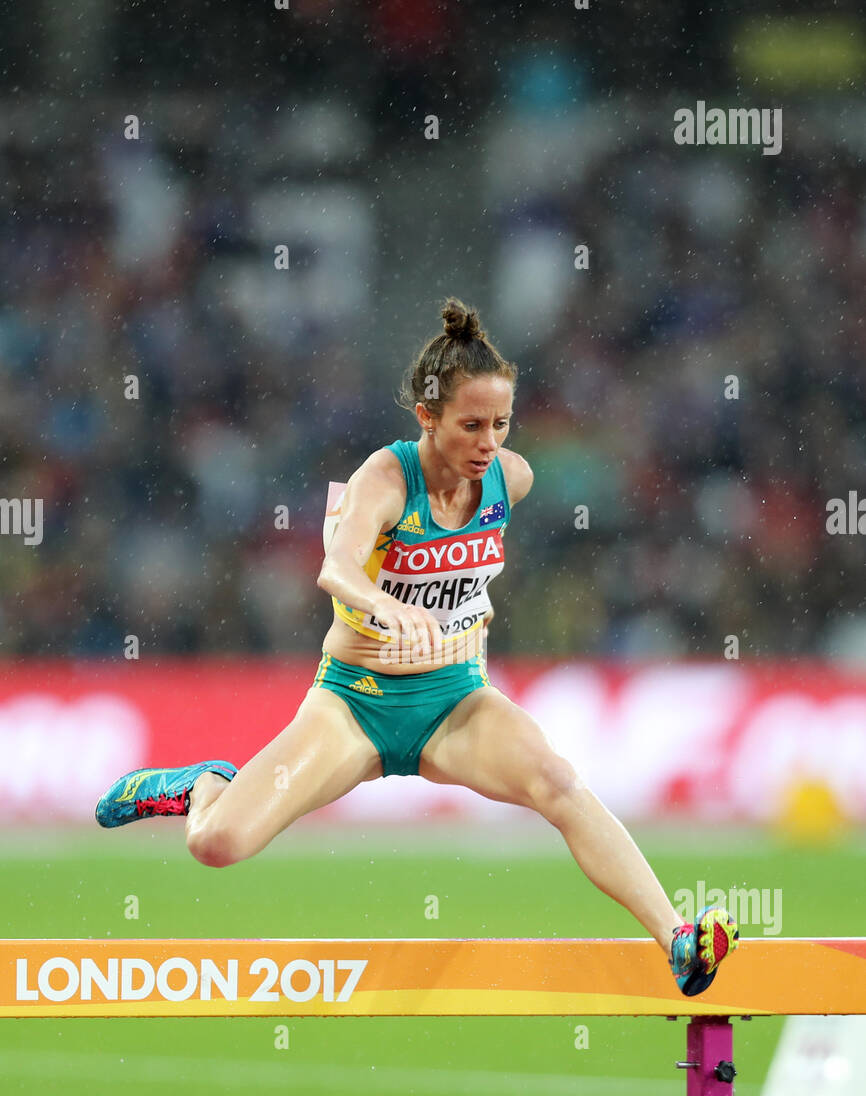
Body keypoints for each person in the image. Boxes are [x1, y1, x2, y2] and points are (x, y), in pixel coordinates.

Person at [95, 297, 737, 996]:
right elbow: (335, 569)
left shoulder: (510, 479)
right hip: (354, 706)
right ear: (427, 417)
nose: (488, 442)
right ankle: (206, 785)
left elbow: (473, 555)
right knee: (216, 845)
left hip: (454, 704)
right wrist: (383, 603)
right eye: (470, 425)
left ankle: (675, 936)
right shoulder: (385, 478)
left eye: (500, 423)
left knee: (557, 782)